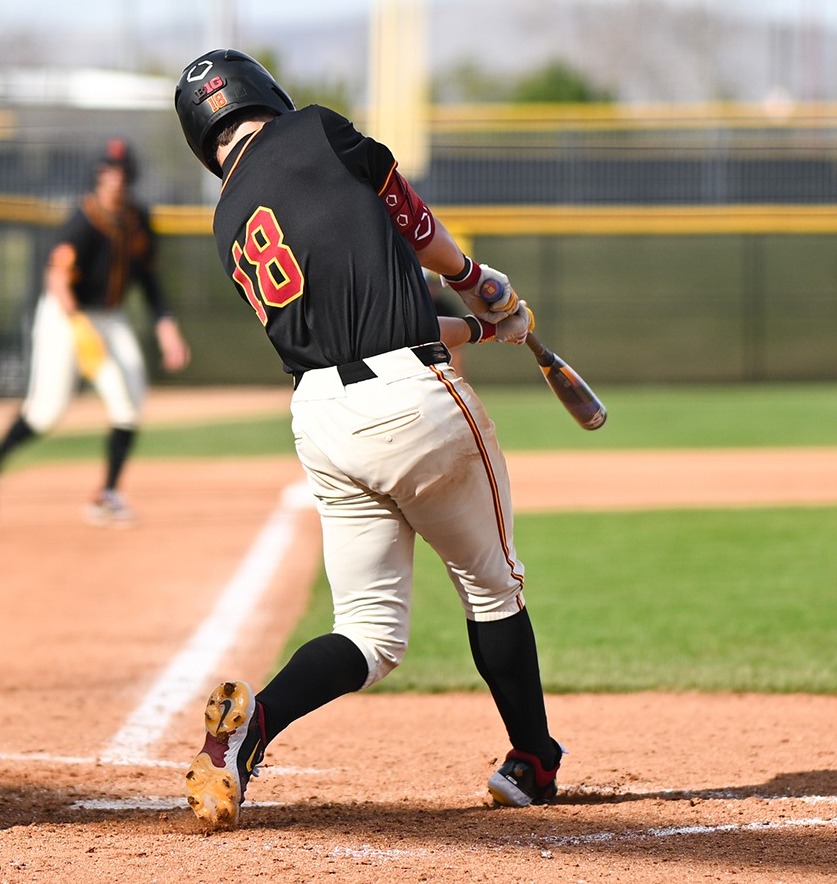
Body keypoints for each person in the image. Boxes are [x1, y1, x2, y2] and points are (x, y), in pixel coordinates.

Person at [169, 50, 558, 830]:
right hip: (417, 400)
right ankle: (532, 759)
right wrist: (479, 279)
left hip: (324, 419)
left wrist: (484, 330)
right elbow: (411, 222)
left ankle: (254, 730)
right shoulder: (314, 130)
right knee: (492, 587)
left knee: (369, 634)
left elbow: (366, 326)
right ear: (264, 96)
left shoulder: (228, 221)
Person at [0, 138, 191, 525]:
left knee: (129, 400)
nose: (115, 179)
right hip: (66, 315)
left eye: (121, 172)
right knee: (47, 411)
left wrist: (167, 327)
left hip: (110, 318)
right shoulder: (84, 219)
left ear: (130, 177)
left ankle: (107, 495)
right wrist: (78, 324)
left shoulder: (138, 221)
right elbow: (56, 277)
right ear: (98, 175)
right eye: (108, 171)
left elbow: (149, 280)